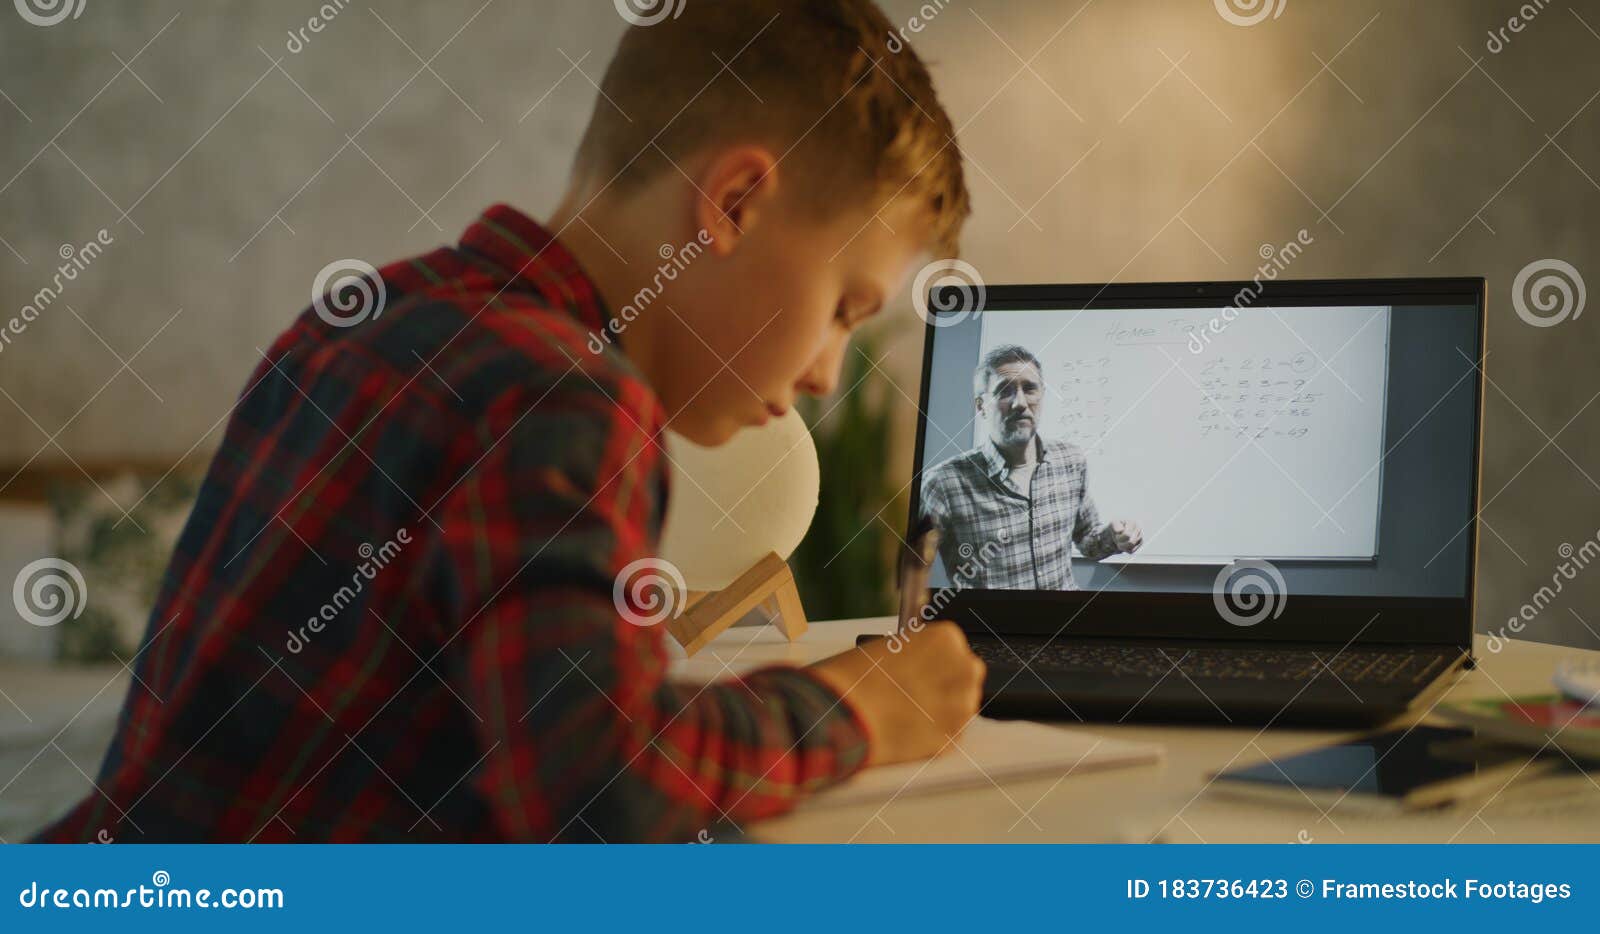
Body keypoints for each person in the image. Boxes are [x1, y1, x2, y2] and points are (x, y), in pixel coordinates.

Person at [33, 0, 983, 844]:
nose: (827, 377)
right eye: (847, 310)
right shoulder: (562, 396)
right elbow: (601, 800)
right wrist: (856, 709)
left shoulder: (365, 318)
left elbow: (533, 741)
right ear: (732, 204)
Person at [921, 345, 1144, 590]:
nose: (1020, 403)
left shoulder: (1071, 461)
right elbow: (903, 571)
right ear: (981, 405)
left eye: (1029, 389)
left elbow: (1088, 542)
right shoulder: (943, 484)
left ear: (1042, 395)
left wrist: (1113, 537)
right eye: (1005, 391)